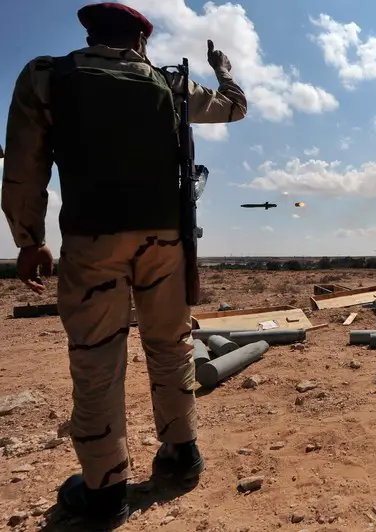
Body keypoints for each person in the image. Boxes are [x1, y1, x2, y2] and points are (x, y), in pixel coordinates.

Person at [1, 2, 247, 529]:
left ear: (90, 32)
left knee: (97, 362)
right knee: (170, 346)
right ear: (142, 40)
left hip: (92, 240)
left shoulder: (48, 75)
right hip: (166, 239)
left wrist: (29, 239)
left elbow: (26, 165)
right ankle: (182, 454)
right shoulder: (168, 84)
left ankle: (105, 488)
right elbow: (234, 107)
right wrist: (223, 68)